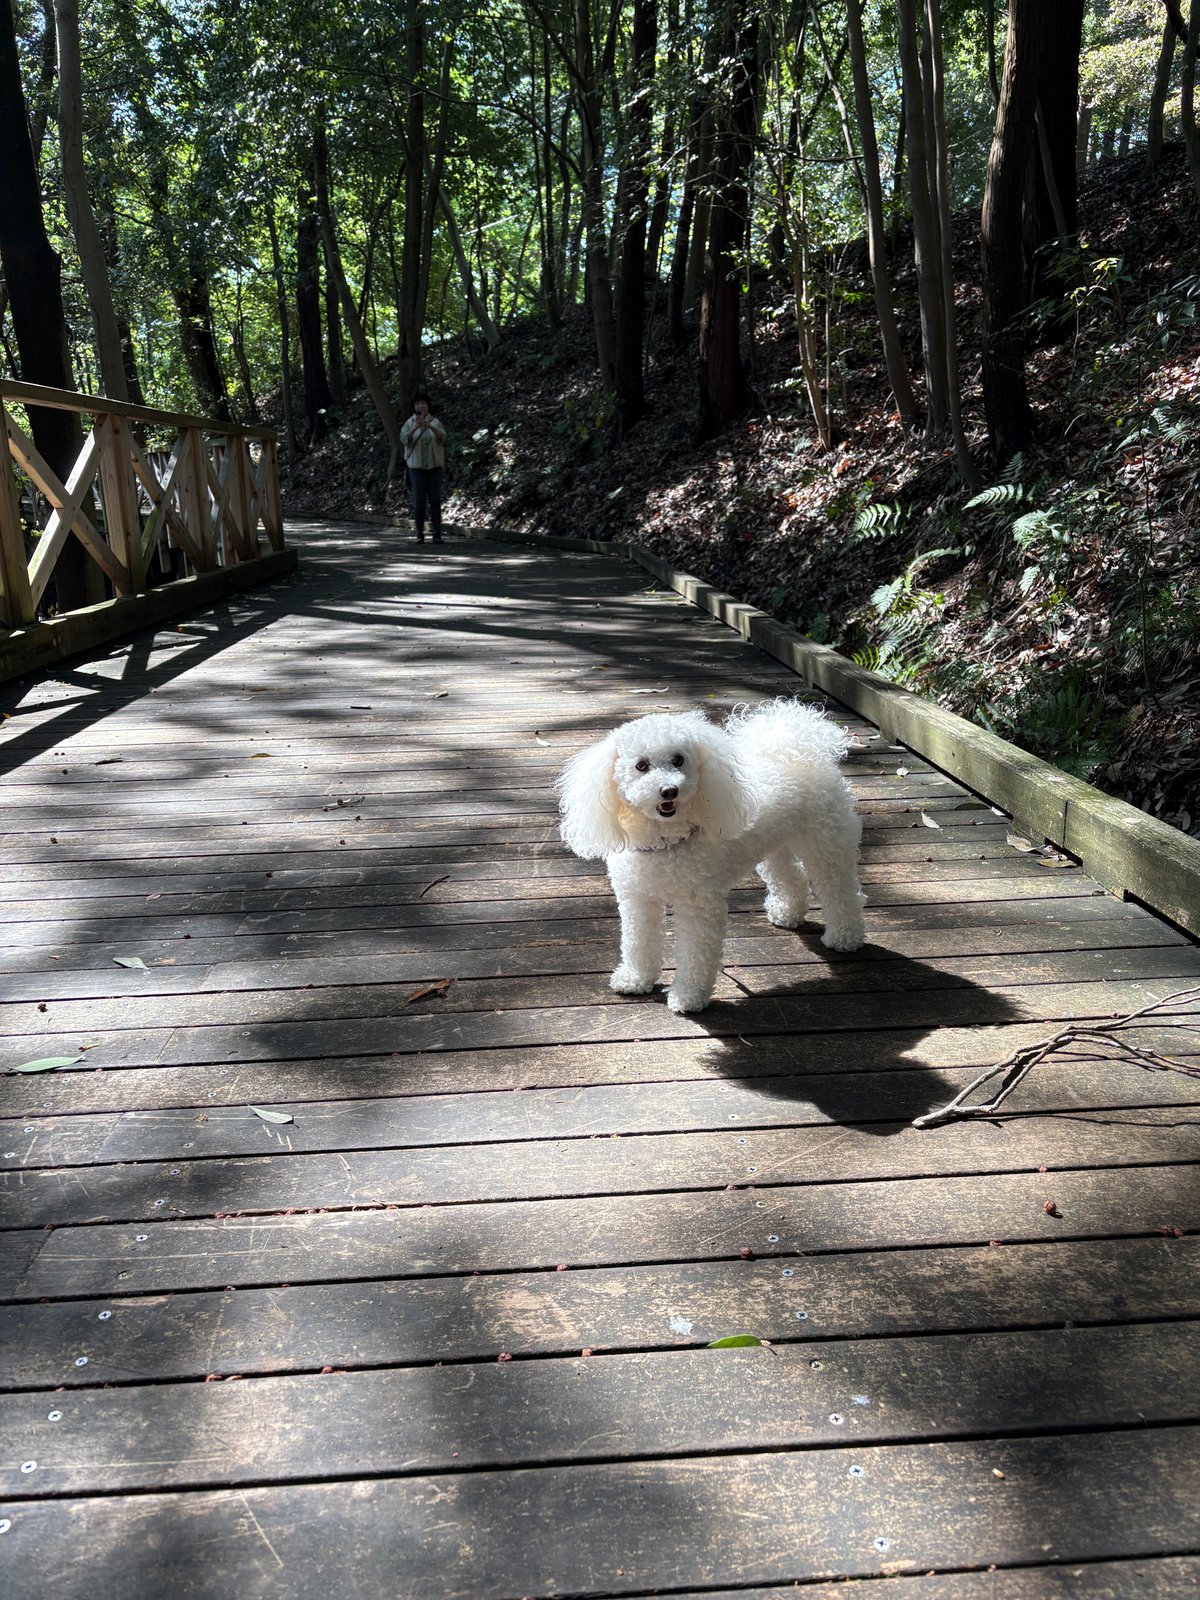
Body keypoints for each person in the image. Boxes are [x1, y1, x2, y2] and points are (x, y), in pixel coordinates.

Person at [399, 390, 447, 544]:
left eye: (424, 403)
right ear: (414, 406)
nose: (421, 406)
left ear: (428, 405)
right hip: (416, 468)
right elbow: (404, 440)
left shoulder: (436, 422)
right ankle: (420, 533)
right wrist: (416, 428)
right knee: (419, 501)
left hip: (434, 467)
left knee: (435, 500)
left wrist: (430, 427)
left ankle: (437, 533)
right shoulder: (409, 423)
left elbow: (443, 438)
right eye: (418, 403)